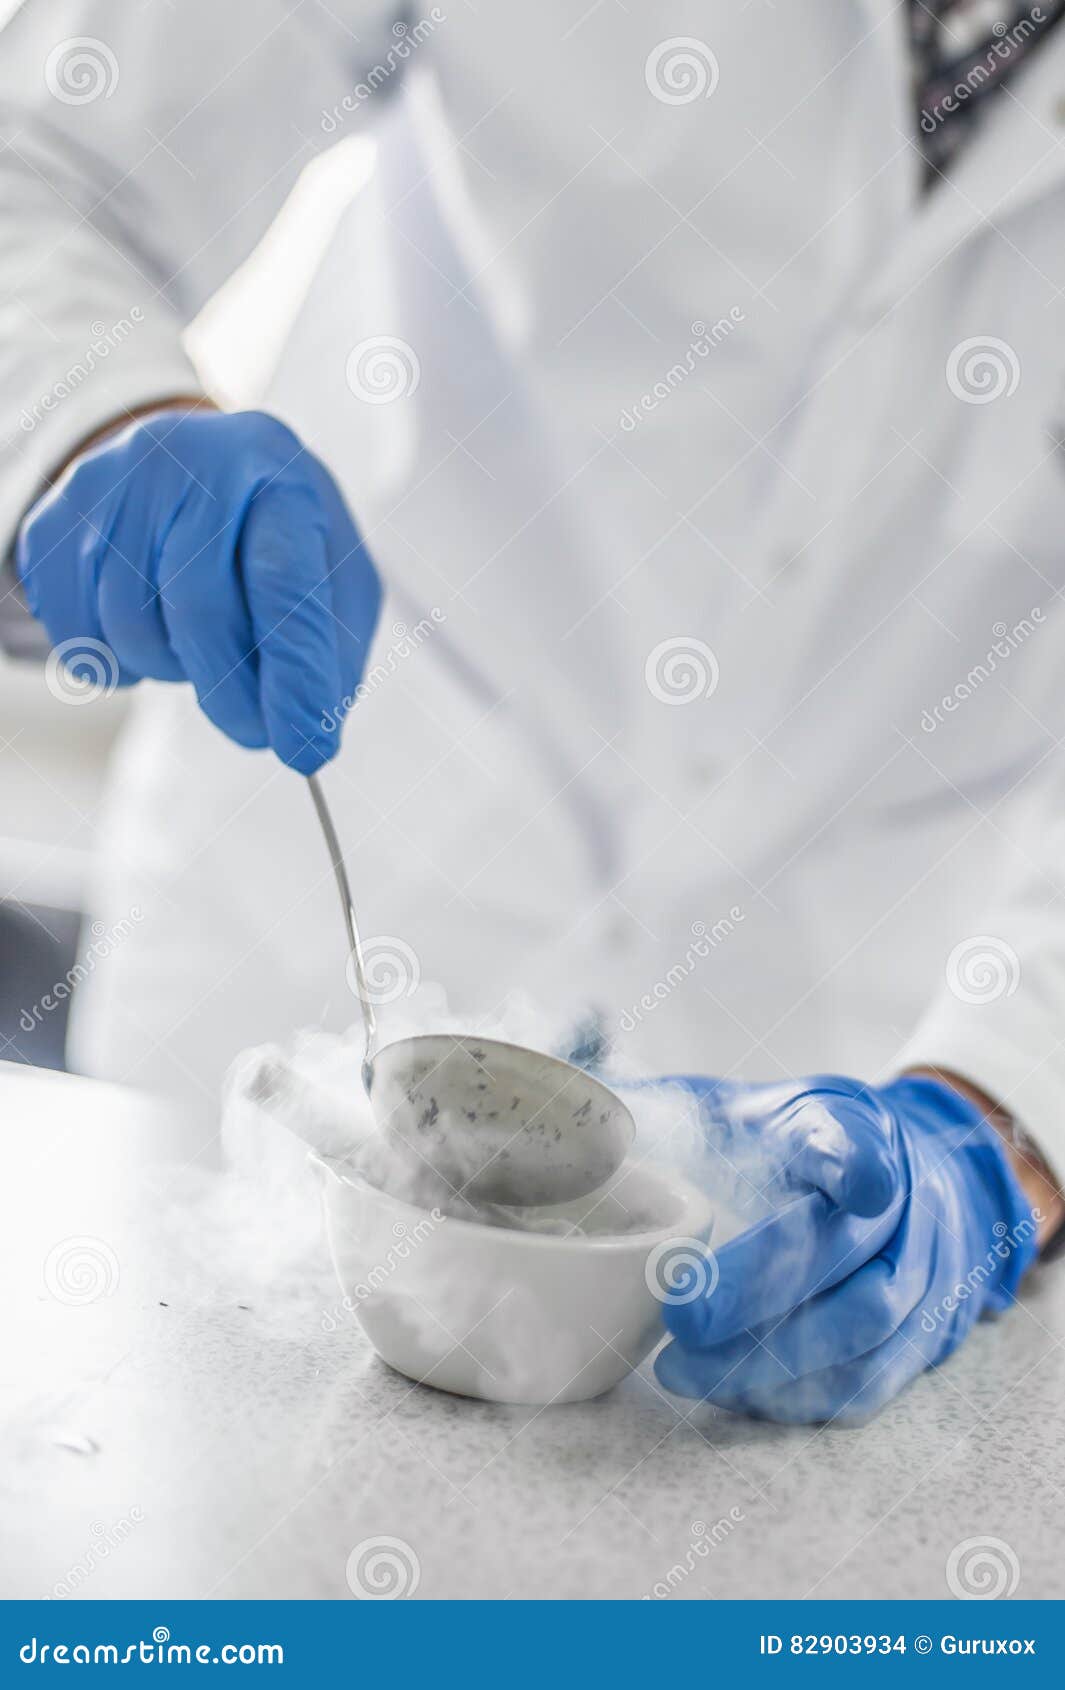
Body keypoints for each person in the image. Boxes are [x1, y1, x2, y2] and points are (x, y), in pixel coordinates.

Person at [1, 0, 1062, 1422]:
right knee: (175, 1566)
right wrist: (91, 415)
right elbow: (49, 161)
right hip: (331, 894)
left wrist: (1000, 1116)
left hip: (861, 1051)